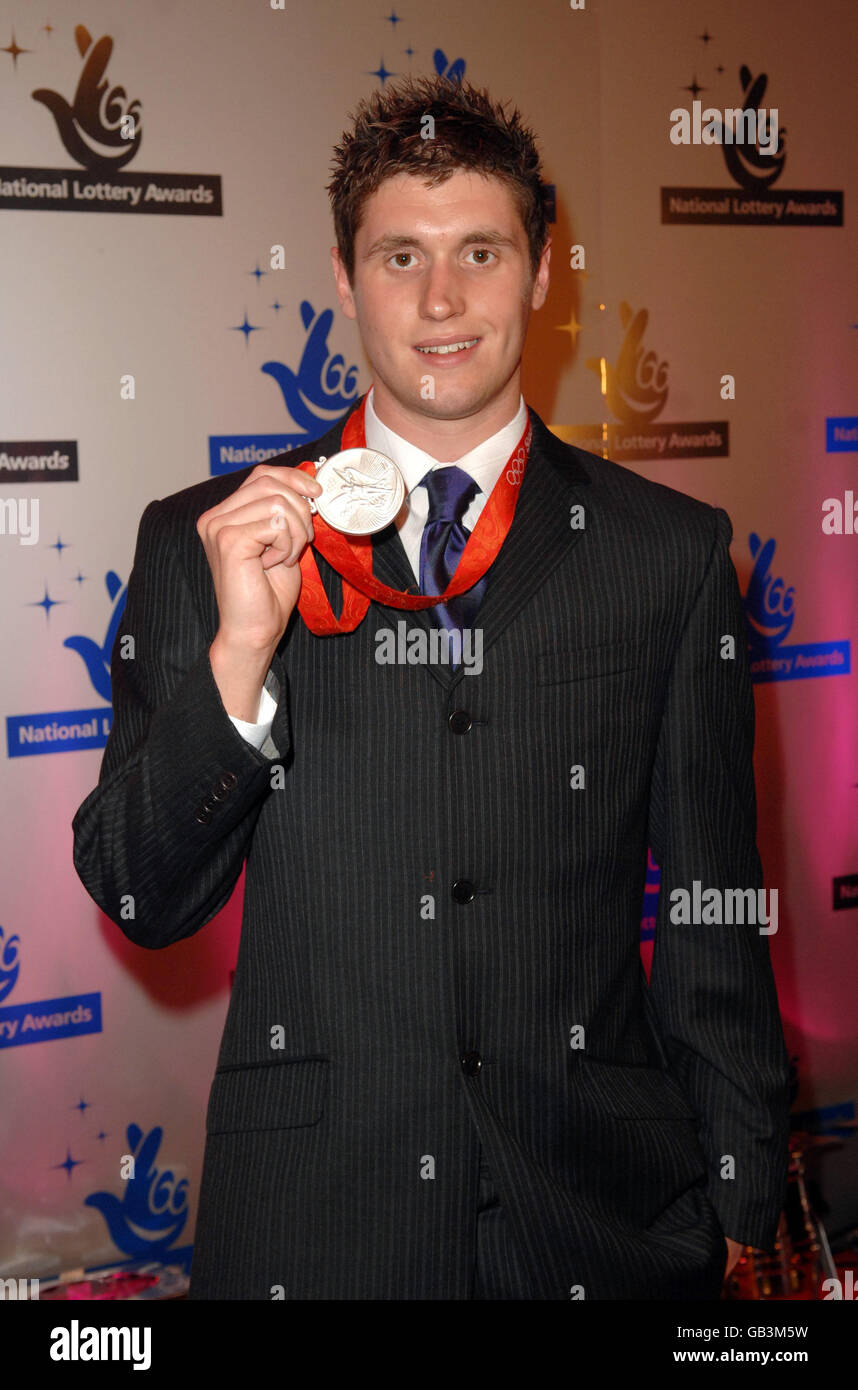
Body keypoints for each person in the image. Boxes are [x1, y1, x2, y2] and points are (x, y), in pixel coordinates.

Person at [73, 75, 791, 1300]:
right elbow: (141, 893)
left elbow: (715, 909)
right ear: (345, 279)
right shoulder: (203, 538)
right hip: (314, 1227)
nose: (442, 300)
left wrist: (746, 1202)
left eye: (480, 252)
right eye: (400, 255)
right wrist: (238, 663)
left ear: (544, 269)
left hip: (605, 1222)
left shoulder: (669, 554)